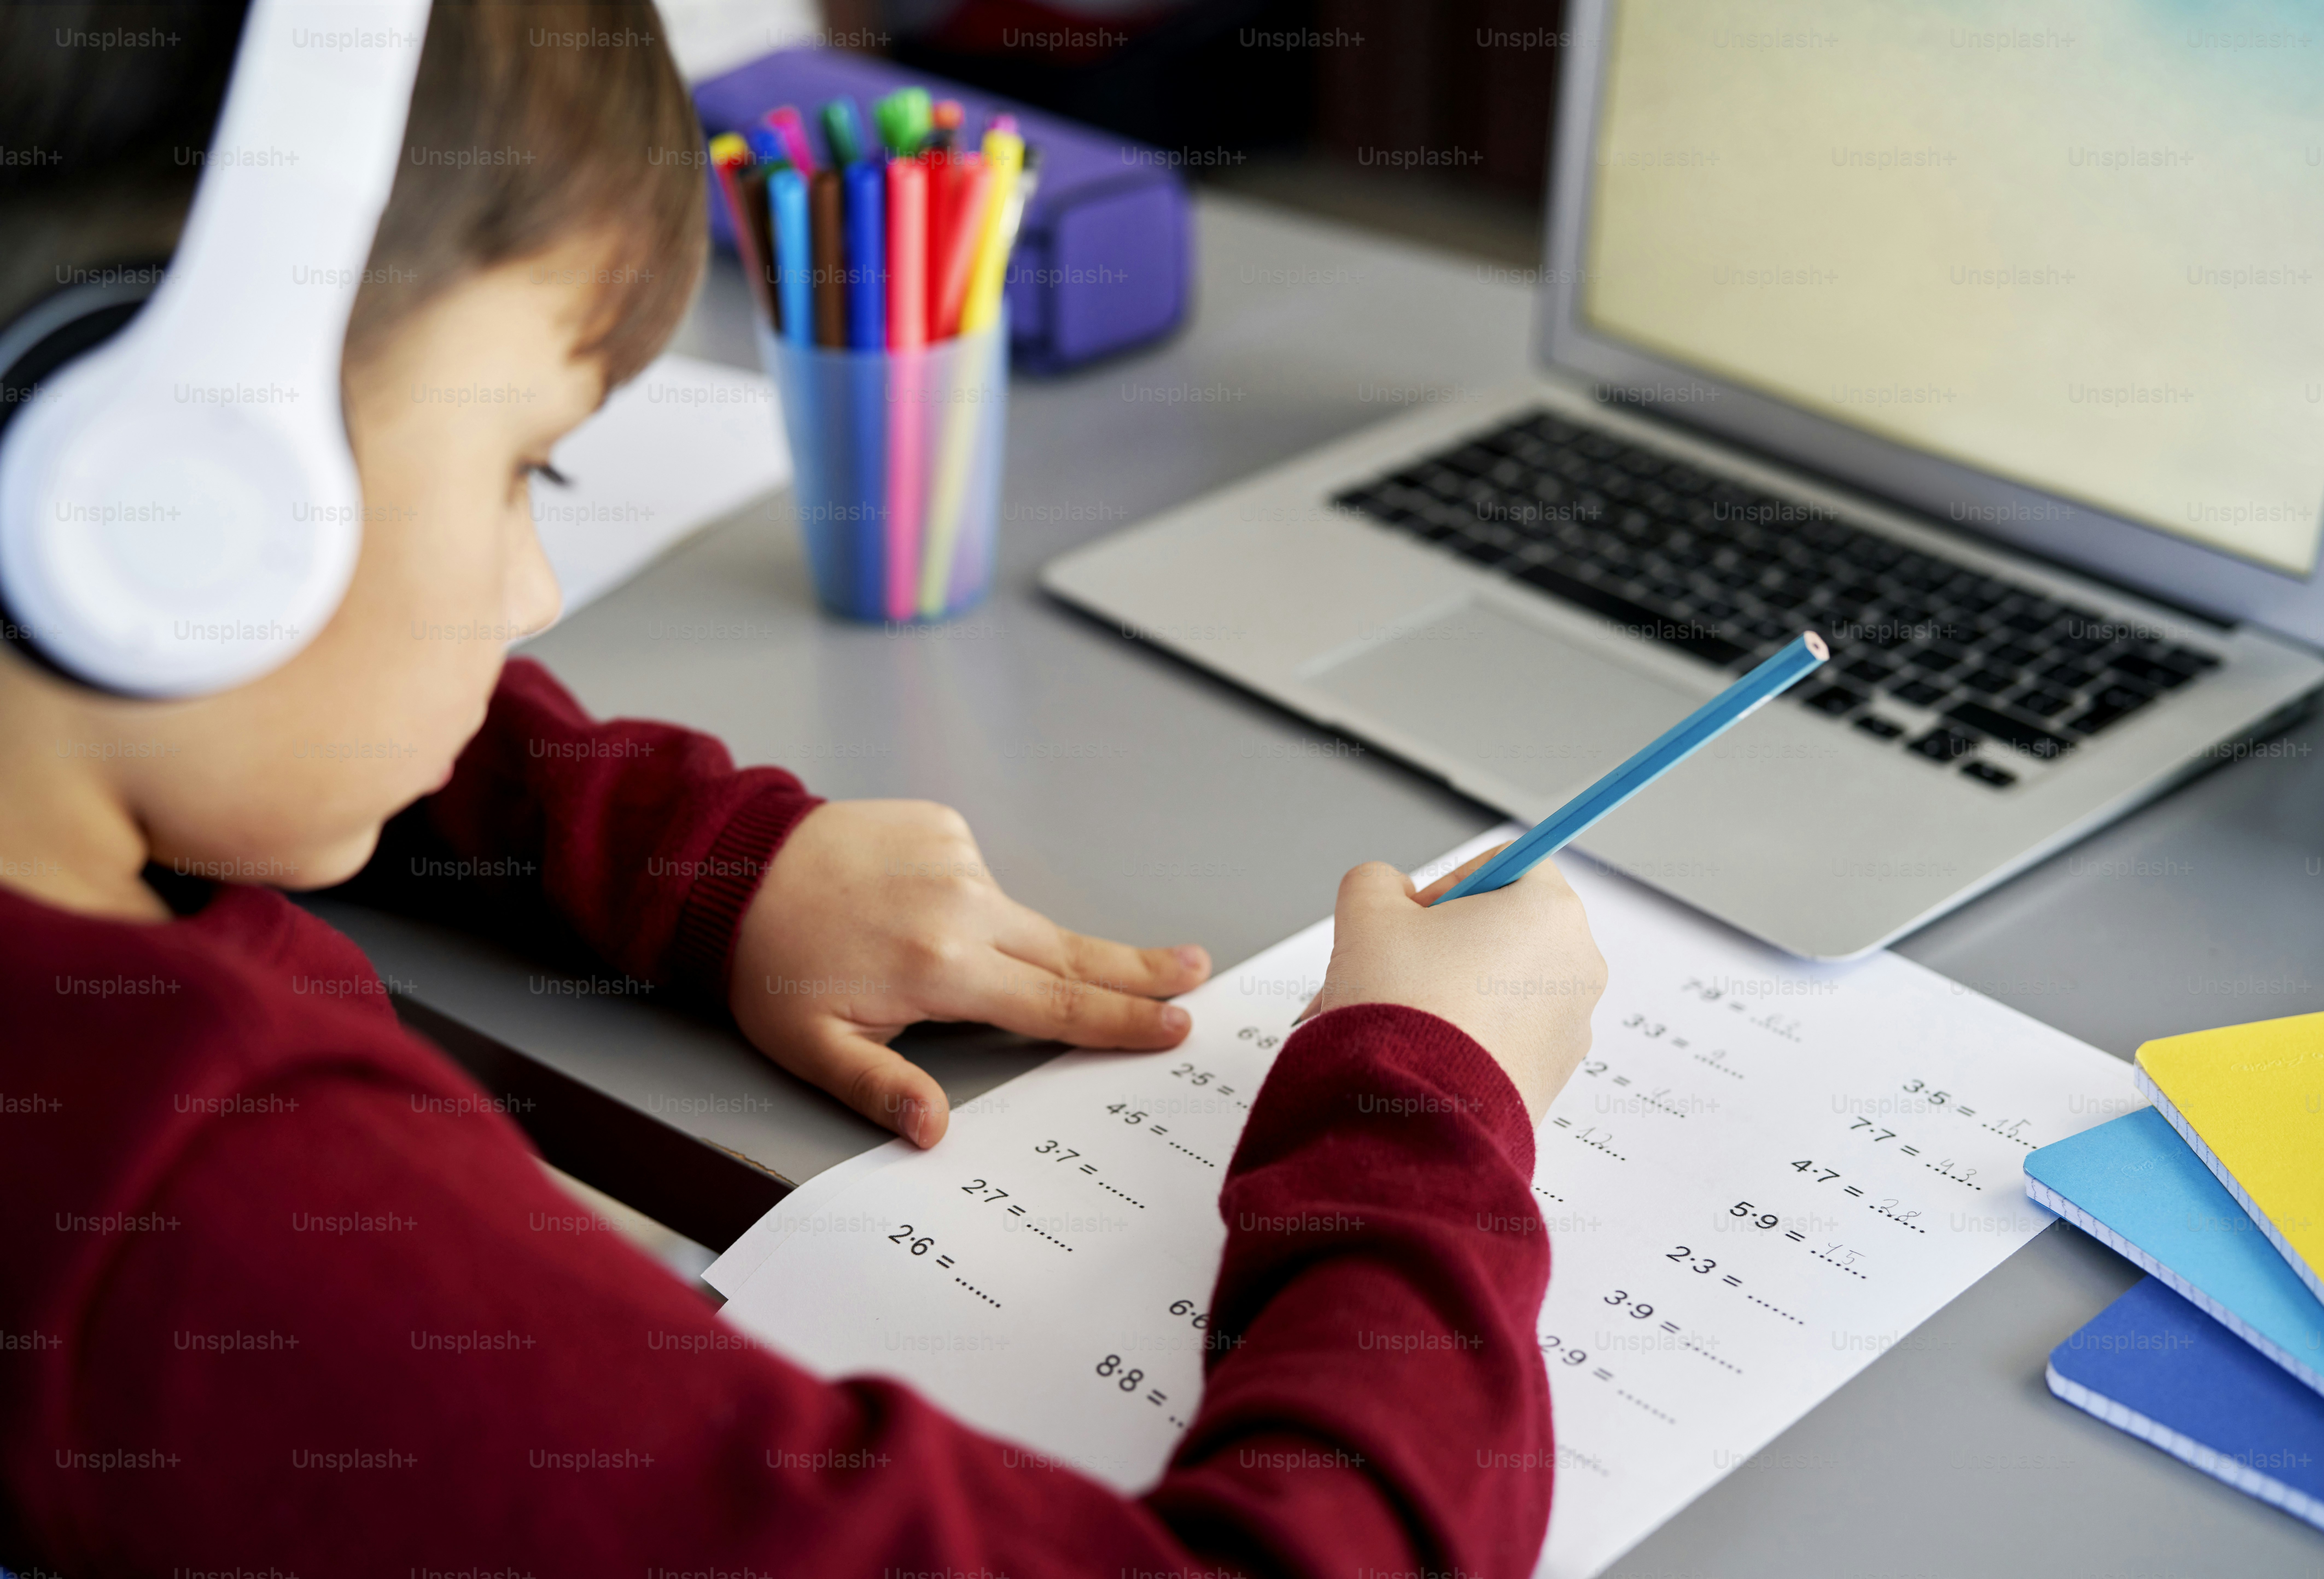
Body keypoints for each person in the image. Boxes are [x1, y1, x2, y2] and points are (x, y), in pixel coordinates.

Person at [0, 4, 1609, 1573]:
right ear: (149, 493)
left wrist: (708, 864)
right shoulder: (197, 1217)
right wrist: (1426, 1105)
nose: (535, 592)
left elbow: (259, 703)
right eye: (521, 468)